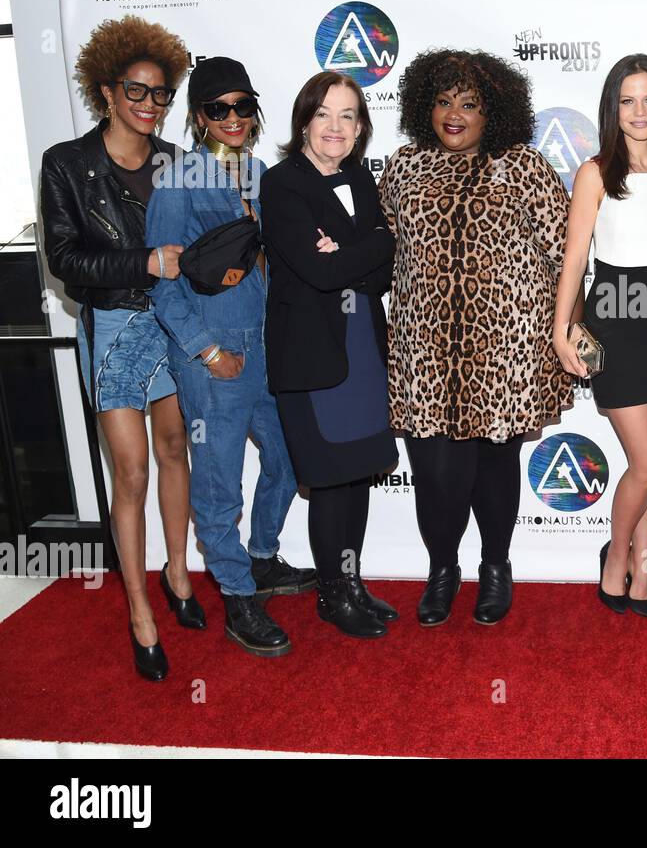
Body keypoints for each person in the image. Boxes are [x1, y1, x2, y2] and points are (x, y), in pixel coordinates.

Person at [380, 49, 571, 627]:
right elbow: (383, 249)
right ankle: (443, 568)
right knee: (435, 475)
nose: (455, 114)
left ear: (496, 113)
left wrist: (564, 330)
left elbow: (566, 251)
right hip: (424, 353)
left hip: (505, 353)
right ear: (423, 107)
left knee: (494, 467)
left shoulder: (523, 165)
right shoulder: (404, 167)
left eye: (470, 104)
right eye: (443, 101)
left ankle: (495, 566)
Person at [39, 15, 198, 681]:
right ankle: (138, 608)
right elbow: (69, 262)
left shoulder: (178, 165)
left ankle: (178, 574)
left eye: (161, 94)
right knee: (130, 471)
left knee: (173, 450)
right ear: (107, 91)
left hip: (171, 322)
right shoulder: (67, 164)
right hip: (111, 326)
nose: (150, 105)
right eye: (137, 91)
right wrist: (146, 263)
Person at [146, 56, 316, 659]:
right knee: (218, 480)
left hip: (267, 344)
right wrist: (208, 349)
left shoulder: (259, 171)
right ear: (199, 117)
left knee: (293, 457)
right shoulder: (176, 181)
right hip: (212, 353)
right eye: (220, 108)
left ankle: (262, 558)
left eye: (244, 106)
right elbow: (163, 282)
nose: (234, 117)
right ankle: (238, 595)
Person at [260, 72, 399, 639]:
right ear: (304, 121)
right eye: (324, 114)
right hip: (312, 356)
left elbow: (384, 265)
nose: (335, 127)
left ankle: (352, 582)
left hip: (363, 345)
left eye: (348, 116)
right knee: (330, 476)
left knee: (360, 473)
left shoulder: (362, 179)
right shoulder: (281, 185)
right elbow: (319, 271)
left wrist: (357, 249)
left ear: (361, 127)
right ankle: (331, 596)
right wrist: (366, 246)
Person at [553, 55, 647, 616]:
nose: (639, 112)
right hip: (618, 319)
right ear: (613, 107)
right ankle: (617, 557)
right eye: (627, 100)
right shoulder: (595, 172)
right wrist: (562, 330)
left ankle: (645, 569)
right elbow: (574, 258)